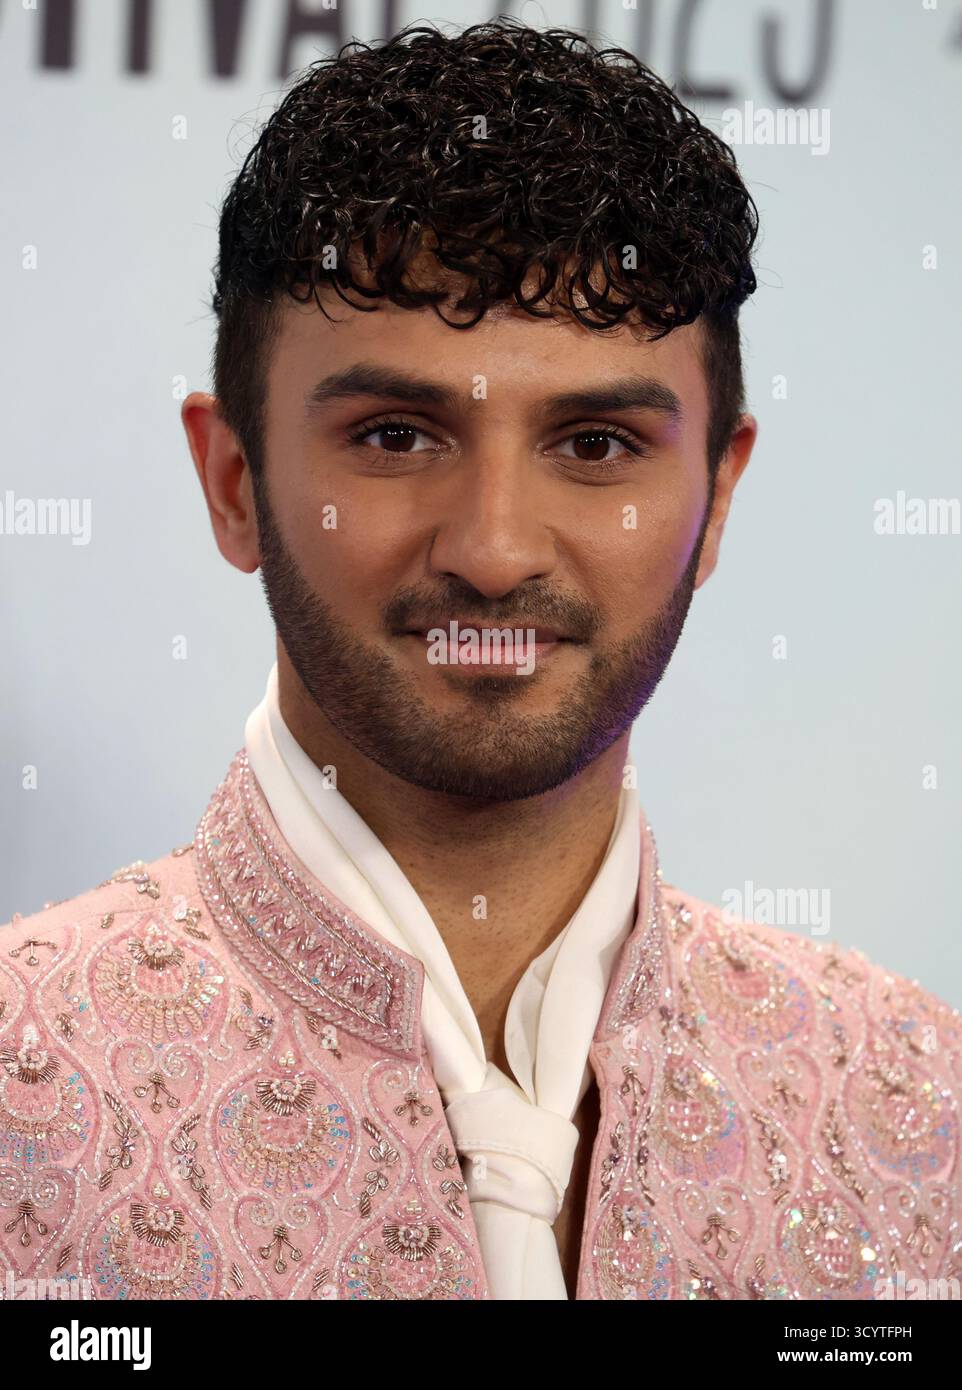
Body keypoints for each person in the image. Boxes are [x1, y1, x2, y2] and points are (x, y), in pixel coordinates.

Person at [3, 19, 959, 1303]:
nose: (496, 550)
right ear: (233, 481)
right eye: (396, 435)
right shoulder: (22, 1081)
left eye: (597, 444)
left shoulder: (916, 1105)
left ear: (717, 497)